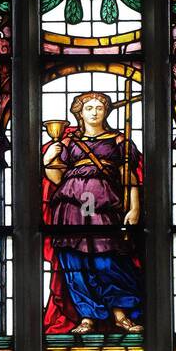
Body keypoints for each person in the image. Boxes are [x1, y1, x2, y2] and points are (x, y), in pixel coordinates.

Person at [42, 91, 143, 335]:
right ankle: (87, 315)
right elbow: (57, 178)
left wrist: (135, 206)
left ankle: (120, 314)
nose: (95, 111)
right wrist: (48, 159)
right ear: (80, 113)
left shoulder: (119, 141)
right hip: (70, 208)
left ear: (107, 111)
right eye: (89, 108)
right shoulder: (68, 143)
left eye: (100, 107)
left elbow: (127, 176)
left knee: (109, 260)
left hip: (105, 206)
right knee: (75, 262)